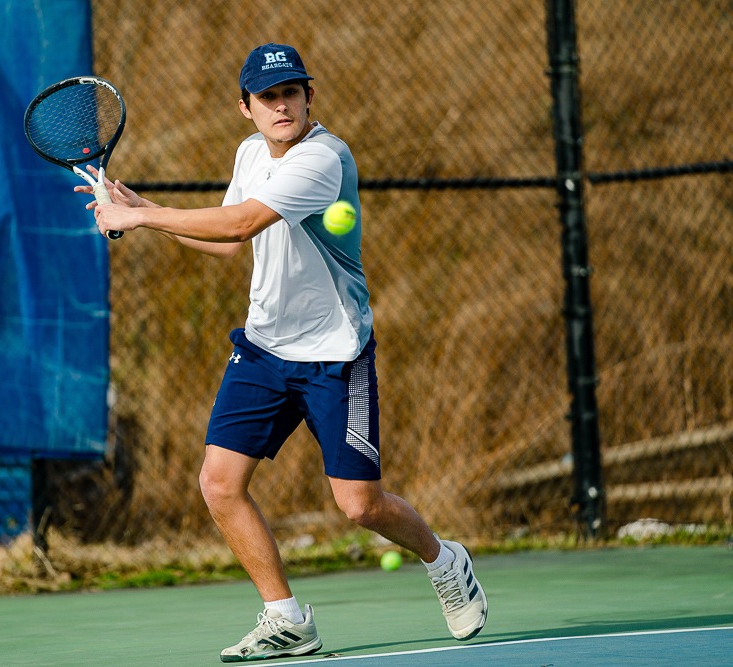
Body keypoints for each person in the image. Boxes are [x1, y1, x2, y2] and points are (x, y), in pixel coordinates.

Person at [79, 42, 488, 663]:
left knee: (359, 505)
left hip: (335, 356)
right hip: (265, 349)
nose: (281, 106)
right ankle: (286, 618)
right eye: (267, 97)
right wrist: (145, 213)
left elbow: (241, 224)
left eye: (290, 93)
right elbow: (224, 244)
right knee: (219, 484)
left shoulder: (323, 158)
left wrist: (142, 217)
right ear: (245, 108)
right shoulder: (250, 153)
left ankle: (444, 559)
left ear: (308, 97)